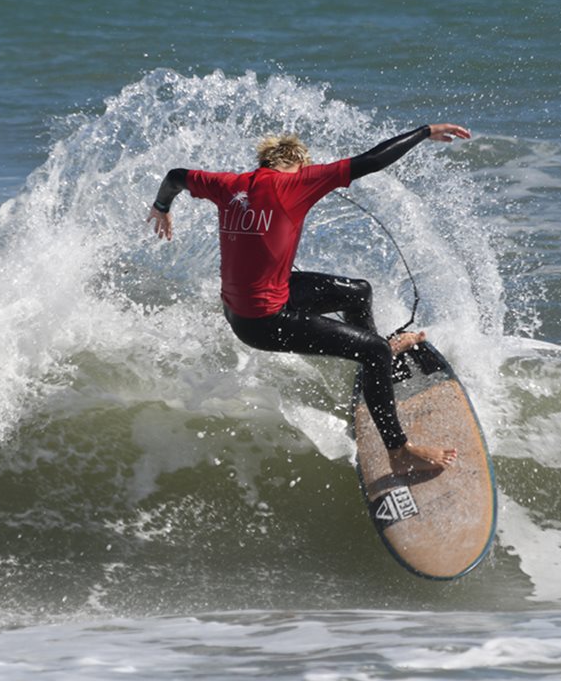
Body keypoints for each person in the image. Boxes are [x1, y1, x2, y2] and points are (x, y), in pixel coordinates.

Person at [146, 123, 471, 467]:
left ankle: (380, 365)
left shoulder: (227, 185)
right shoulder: (298, 182)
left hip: (246, 305)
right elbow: (373, 159)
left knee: (358, 292)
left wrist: (161, 207)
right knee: (373, 350)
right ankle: (399, 452)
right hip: (264, 322)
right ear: (298, 165)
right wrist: (425, 132)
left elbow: (176, 175)